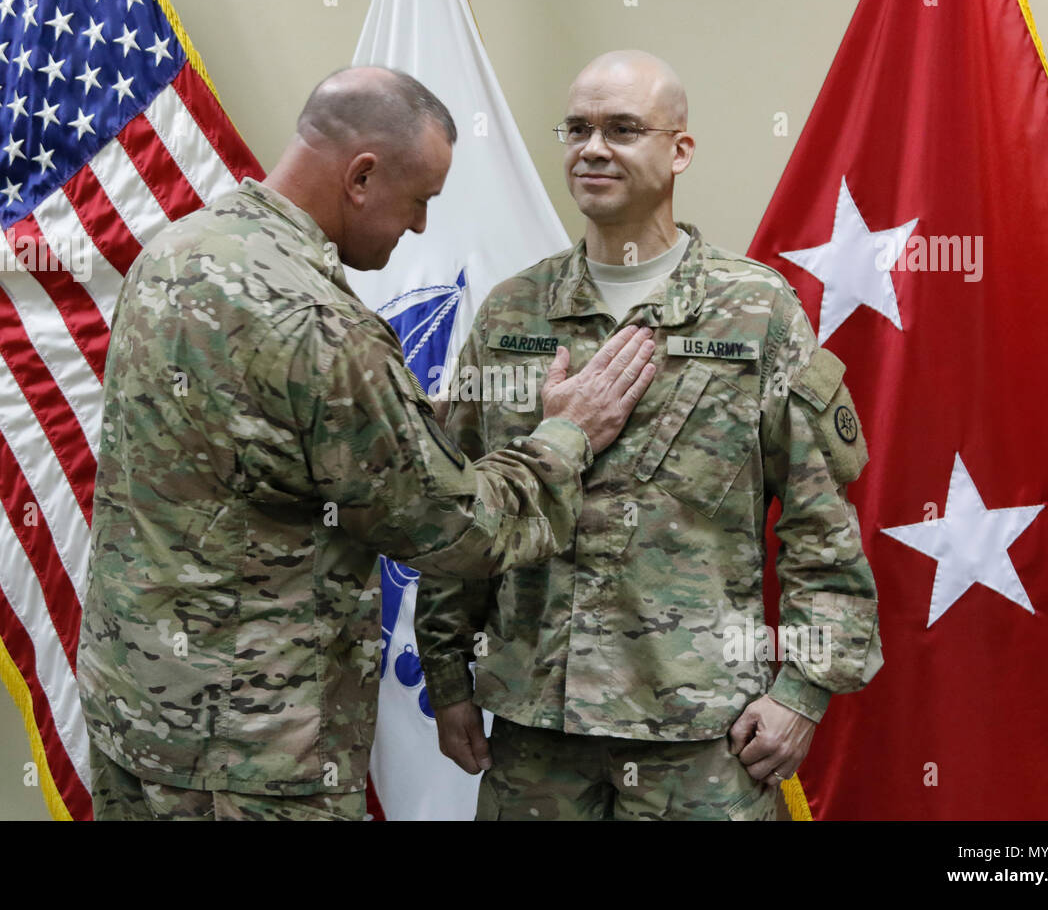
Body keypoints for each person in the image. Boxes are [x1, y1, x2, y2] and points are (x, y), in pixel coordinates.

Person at [75, 66, 658, 821]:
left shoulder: (177, 254)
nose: (418, 227)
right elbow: (455, 532)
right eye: (419, 201)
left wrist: (409, 416)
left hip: (135, 716)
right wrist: (566, 437)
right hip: (255, 756)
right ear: (361, 176)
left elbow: (250, 437)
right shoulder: (325, 329)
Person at [415, 50, 883, 820]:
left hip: (698, 735)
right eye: (578, 128)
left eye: (623, 129)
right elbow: (461, 510)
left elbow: (819, 529)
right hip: (536, 728)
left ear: (680, 150)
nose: (592, 148)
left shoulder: (755, 312)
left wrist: (801, 690)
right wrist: (448, 676)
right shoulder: (512, 314)